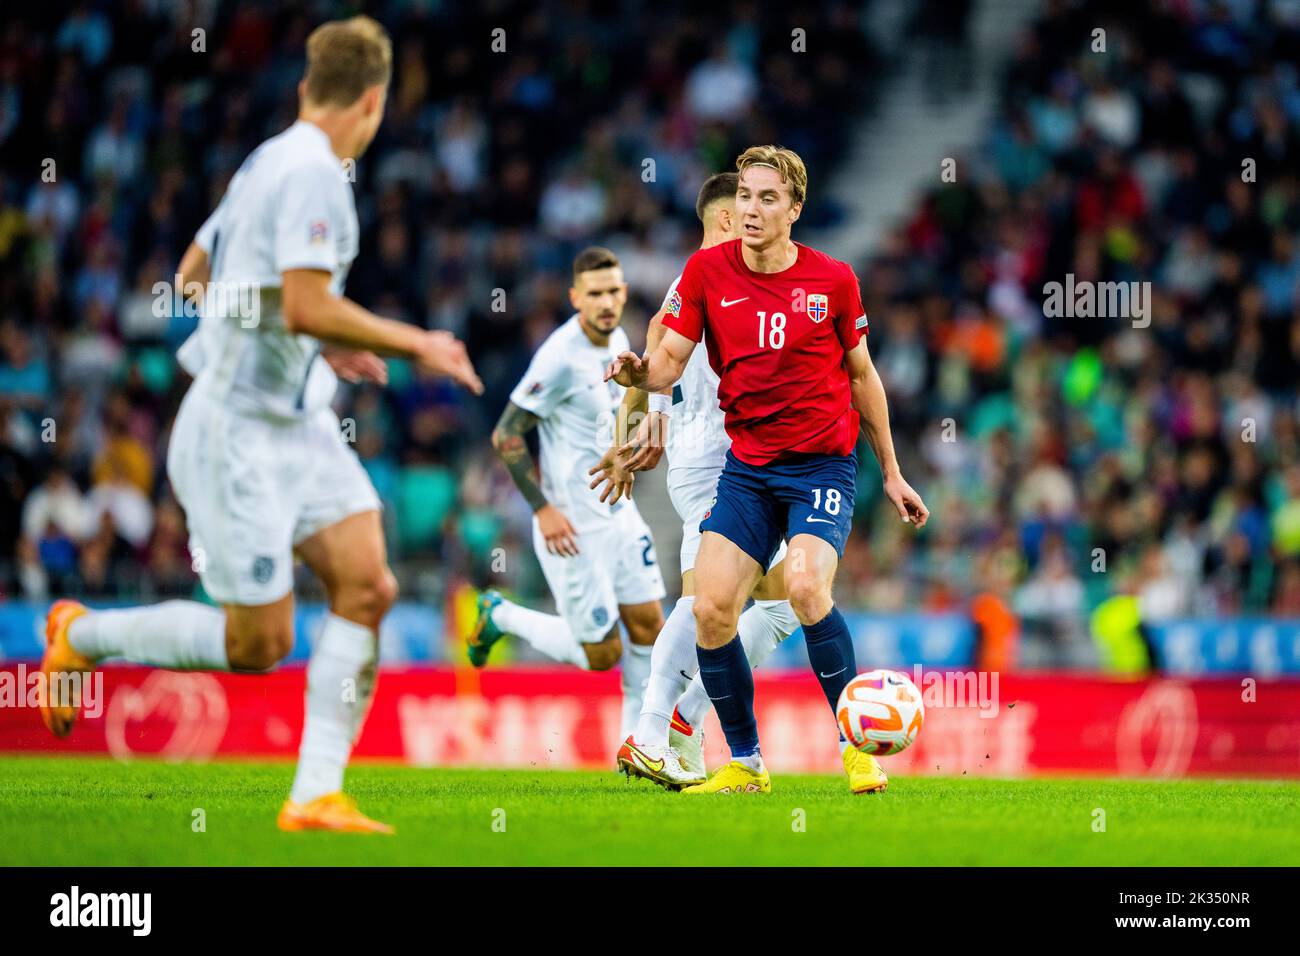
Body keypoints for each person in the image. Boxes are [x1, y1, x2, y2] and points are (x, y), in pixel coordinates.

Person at [38, 16, 482, 834]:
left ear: (311, 85)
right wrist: (412, 340)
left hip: (296, 421)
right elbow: (303, 297)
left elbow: (195, 274)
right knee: (259, 645)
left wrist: (309, 336)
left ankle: (314, 794)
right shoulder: (314, 172)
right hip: (235, 435)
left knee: (369, 585)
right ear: (374, 102)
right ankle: (84, 632)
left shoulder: (261, 162)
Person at [607, 146, 929, 795]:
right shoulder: (706, 272)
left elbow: (863, 377)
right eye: (746, 197)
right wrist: (644, 380)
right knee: (712, 610)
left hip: (820, 470)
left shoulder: (833, 282)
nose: (752, 210)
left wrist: (892, 471)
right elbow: (667, 356)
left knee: (805, 590)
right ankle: (746, 764)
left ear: (795, 209)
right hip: (745, 469)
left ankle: (856, 749)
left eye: (767, 199)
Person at [589, 173, 800, 788]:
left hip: (712, 458)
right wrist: (649, 423)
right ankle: (662, 725)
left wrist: (639, 427)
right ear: (730, 219)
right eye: (753, 207)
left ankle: (673, 735)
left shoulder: (700, 278)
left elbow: (650, 351)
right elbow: (656, 348)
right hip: (716, 460)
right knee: (758, 601)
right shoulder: (712, 274)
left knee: (726, 603)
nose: (761, 220)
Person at [471, 247, 666, 741]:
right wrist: (543, 509)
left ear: (624, 293)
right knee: (603, 656)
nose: (606, 302)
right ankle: (502, 614)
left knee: (650, 630)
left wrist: (634, 439)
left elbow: (621, 415)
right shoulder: (558, 357)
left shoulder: (619, 340)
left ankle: (637, 750)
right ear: (575, 297)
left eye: (613, 291)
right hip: (572, 527)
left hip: (619, 516)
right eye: (595, 293)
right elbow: (506, 434)